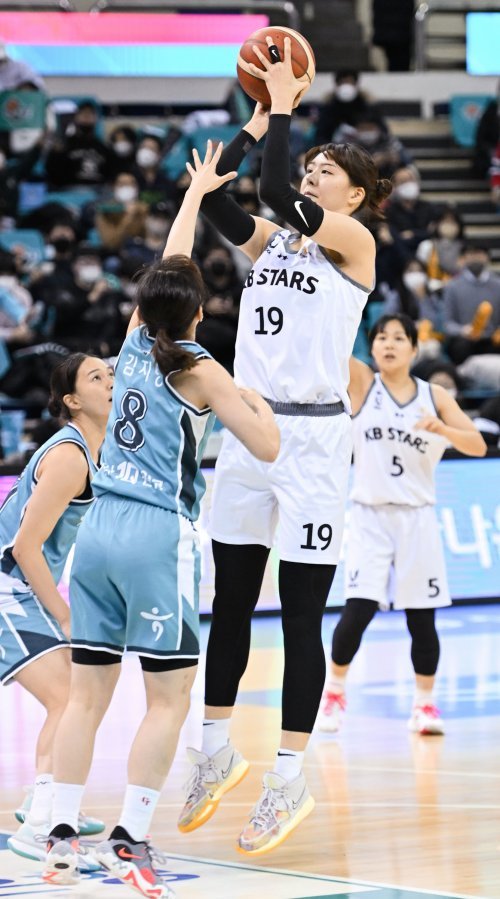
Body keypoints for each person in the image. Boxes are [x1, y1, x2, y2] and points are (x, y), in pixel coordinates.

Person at [42, 141, 280, 895]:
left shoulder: (132, 347)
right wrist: (256, 401)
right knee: (170, 697)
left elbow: (168, 265)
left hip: (101, 532)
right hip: (157, 535)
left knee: (86, 694)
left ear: (145, 308)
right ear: (203, 313)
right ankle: (129, 836)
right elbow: (268, 446)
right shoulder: (201, 368)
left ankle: (57, 827)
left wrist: (194, 194)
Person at [176, 36, 392, 856]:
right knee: (229, 601)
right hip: (246, 430)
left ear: (360, 195)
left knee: (300, 613)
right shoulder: (277, 244)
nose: (310, 177)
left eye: (327, 171)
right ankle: (216, 748)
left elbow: (269, 185)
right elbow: (227, 195)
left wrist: (287, 116)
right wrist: (260, 115)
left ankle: (288, 773)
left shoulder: (355, 246)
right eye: (311, 169)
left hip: (312, 441)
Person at [316, 314, 486, 736]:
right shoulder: (363, 384)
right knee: (357, 611)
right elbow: (328, 342)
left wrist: (443, 428)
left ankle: (424, 705)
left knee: (421, 618)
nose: (388, 344)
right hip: (371, 515)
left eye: (398, 338)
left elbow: (478, 446)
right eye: (380, 338)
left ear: (414, 348)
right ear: (371, 348)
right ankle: (334, 693)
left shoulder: (435, 396)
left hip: (417, 517)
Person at [1, 352, 114, 863]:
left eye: (110, 373)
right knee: (69, 700)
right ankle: (41, 823)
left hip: (21, 587)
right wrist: (65, 615)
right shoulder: (70, 455)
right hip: (7, 586)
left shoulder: (99, 448)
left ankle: (44, 800)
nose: (109, 381)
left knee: (73, 697)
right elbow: (25, 547)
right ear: (72, 401)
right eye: (96, 377)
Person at [442, 246, 500, 365]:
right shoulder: (452, 286)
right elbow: (447, 323)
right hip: (465, 340)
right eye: (471, 255)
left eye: (479, 254)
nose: (475, 259)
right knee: (460, 347)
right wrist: (462, 330)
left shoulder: (497, 285)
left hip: (492, 339)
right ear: (464, 258)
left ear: (487, 257)